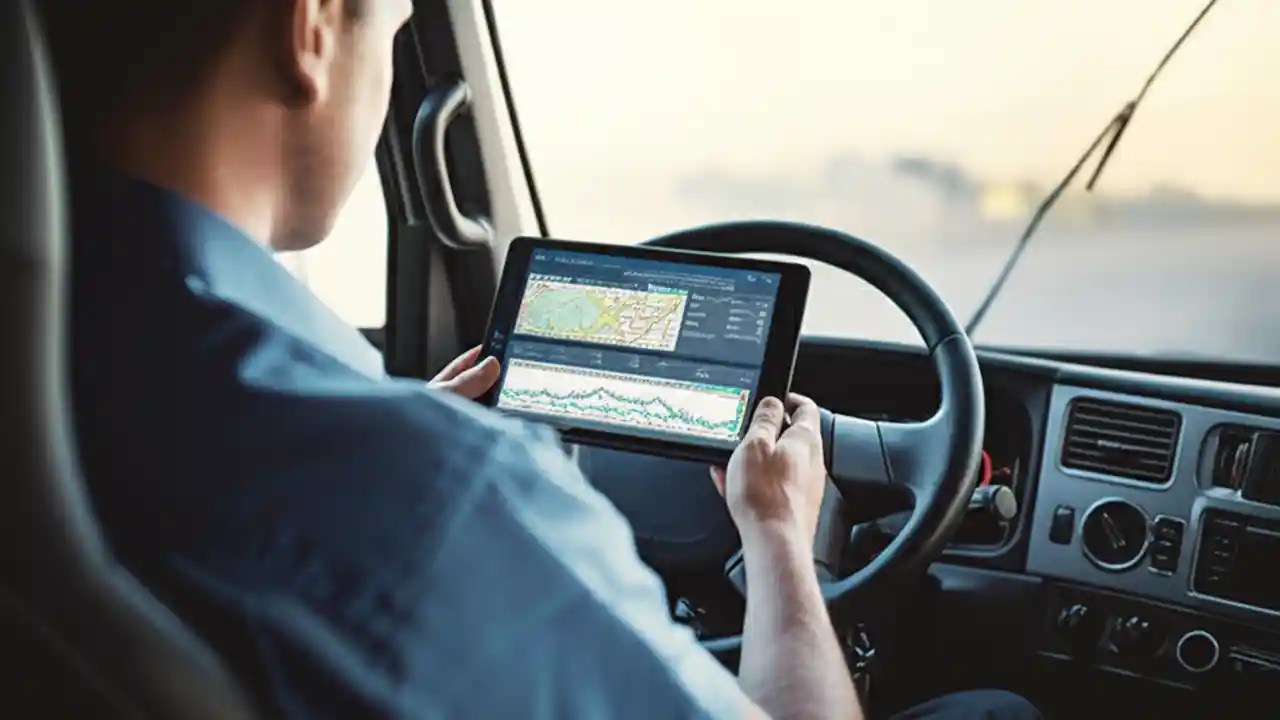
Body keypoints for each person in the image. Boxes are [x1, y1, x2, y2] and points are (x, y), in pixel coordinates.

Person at [39, 1, 1040, 718]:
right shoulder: (427, 490)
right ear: (310, 30)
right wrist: (777, 529)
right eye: (391, 31)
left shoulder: (68, 370)